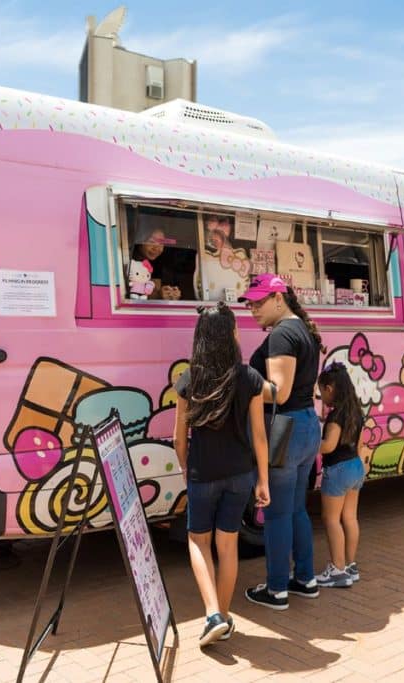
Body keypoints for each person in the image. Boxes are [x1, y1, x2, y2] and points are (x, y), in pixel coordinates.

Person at [172, 303, 271, 646]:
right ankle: (224, 618)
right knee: (227, 545)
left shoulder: (189, 380)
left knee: (198, 541)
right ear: (232, 335)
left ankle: (212, 613)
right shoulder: (250, 379)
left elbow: (178, 438)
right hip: (240, 475)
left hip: (203, 473)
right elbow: (260, 435)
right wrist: (263, 480)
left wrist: (187, 469)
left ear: (200, 339)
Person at [240, 274, 326, 610]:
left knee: (275, 515)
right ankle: (305, 579)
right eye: (249, 303)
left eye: (259, 302)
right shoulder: (300, 330)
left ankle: (276, 589)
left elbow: (279, 391)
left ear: (279, 298)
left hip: (283, 429)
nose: (252, 309)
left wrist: (239, 379)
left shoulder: (282, 334)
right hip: (305, 425)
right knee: (296, 511)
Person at [314, 362, 365, 588]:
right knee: (350, 518)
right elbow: (361, 445)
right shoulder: (356, 412)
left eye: (321, 391)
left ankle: (337, 569)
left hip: (338, 471)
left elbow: (328, 447)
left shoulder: (336, 417)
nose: (321, 396)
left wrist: (311, 441)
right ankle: (350, 565)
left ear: (330, 388)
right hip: (355, 467)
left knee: (331, 519)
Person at [130, 225, 194, 301]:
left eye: (161, 243)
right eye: (151, 242)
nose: (156, 248)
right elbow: (135, 292)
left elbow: (153, 290)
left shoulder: (156, 261)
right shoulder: (129, 260)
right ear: (140, 241)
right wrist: (158, 295)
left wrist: (169, 293)